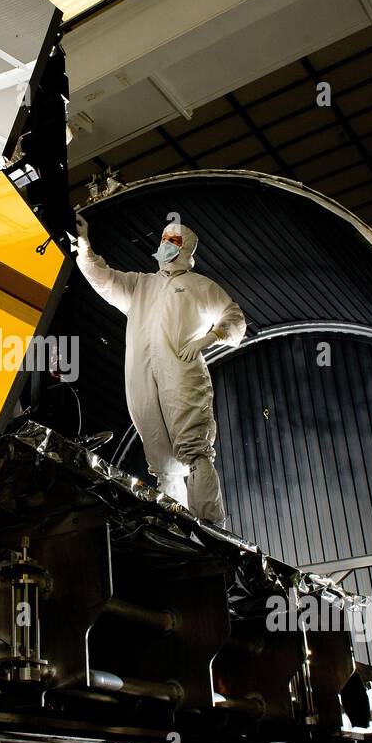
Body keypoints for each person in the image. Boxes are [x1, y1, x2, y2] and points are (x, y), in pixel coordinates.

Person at [73, 214, 246, 525]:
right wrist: (84, 245)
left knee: (195, 452)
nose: (166, 244)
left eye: (174, 241)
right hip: (141, 377)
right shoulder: (143, 286)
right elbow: (104, 278)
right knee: (163, 465)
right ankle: (177, 529)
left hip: (181, 374)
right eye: (165, 239)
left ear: (187, 249)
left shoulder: (198, 286)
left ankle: (213, 530)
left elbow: (233, 317)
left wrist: (209, 338)